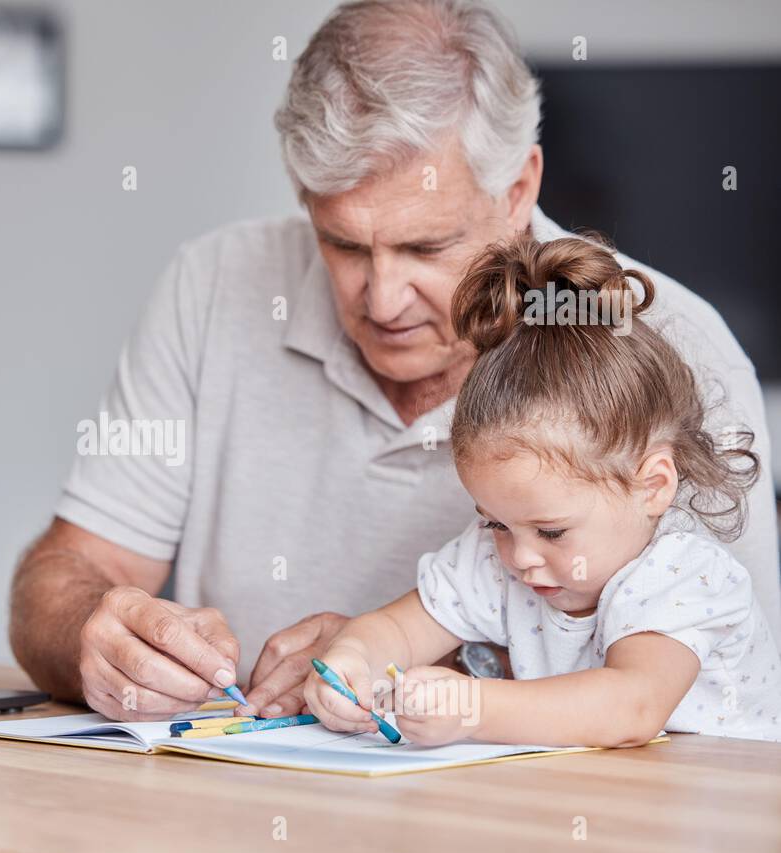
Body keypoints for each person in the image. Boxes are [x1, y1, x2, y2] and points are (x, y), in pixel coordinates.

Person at [9, 0, 781, 722]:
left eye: (425, 246)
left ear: (519, 189)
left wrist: (432, 670)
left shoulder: (668, 347)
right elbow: (68, 570)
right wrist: (93, 633)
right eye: (343, 243)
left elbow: (710, 699)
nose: (380, 299)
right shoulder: (211, 286)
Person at [305, 234, 780, 746]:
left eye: (552, 531)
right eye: (495, 522)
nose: (520, 556)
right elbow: (394, 632)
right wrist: (350, 663)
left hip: (719, 808)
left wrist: (471, 709)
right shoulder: (496, 559)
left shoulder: (686, 577)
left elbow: (631, 707)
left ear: (653, 486)